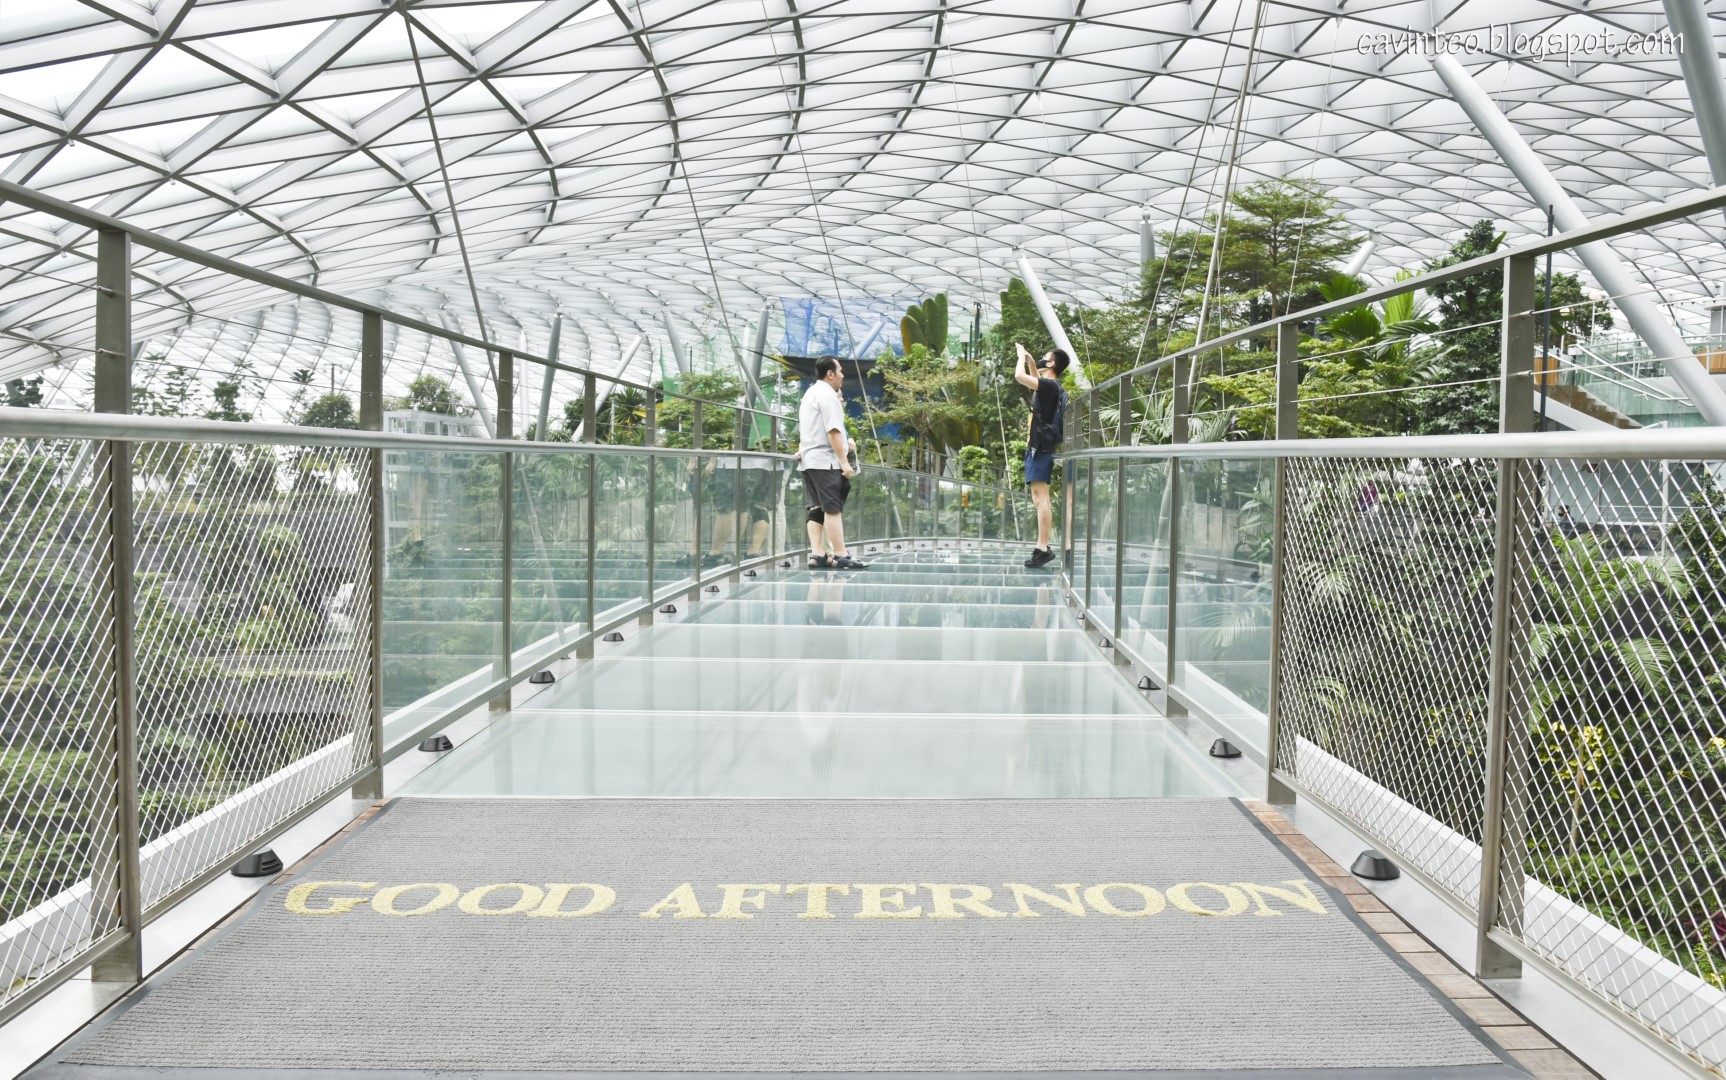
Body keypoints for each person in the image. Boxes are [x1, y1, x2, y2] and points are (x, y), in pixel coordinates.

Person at [797, 356, 868, 570]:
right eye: (840, 371)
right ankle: (840, 554)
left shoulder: (811, 392)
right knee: (832, 508)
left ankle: (818, 554)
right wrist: (844, 462)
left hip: (810, 460)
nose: (842, 375)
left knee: (817, 507)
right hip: (825, 462)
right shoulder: (828, 396)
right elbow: (834, 432)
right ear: (830, 373)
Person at [1014, 343, 1069, 569]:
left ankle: (1043, 548)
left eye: (1045, 358)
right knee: (1040, 497)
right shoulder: (1052, 387)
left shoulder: (1049, 386)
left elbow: (1020, 377)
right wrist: (1031, 363)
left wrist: (1020, 359)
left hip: (1040, 448)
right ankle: (1042, 547)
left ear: (1052, 363)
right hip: (1042, 446)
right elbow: (1037, 385)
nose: (1042, 360)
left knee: (1040, 498)